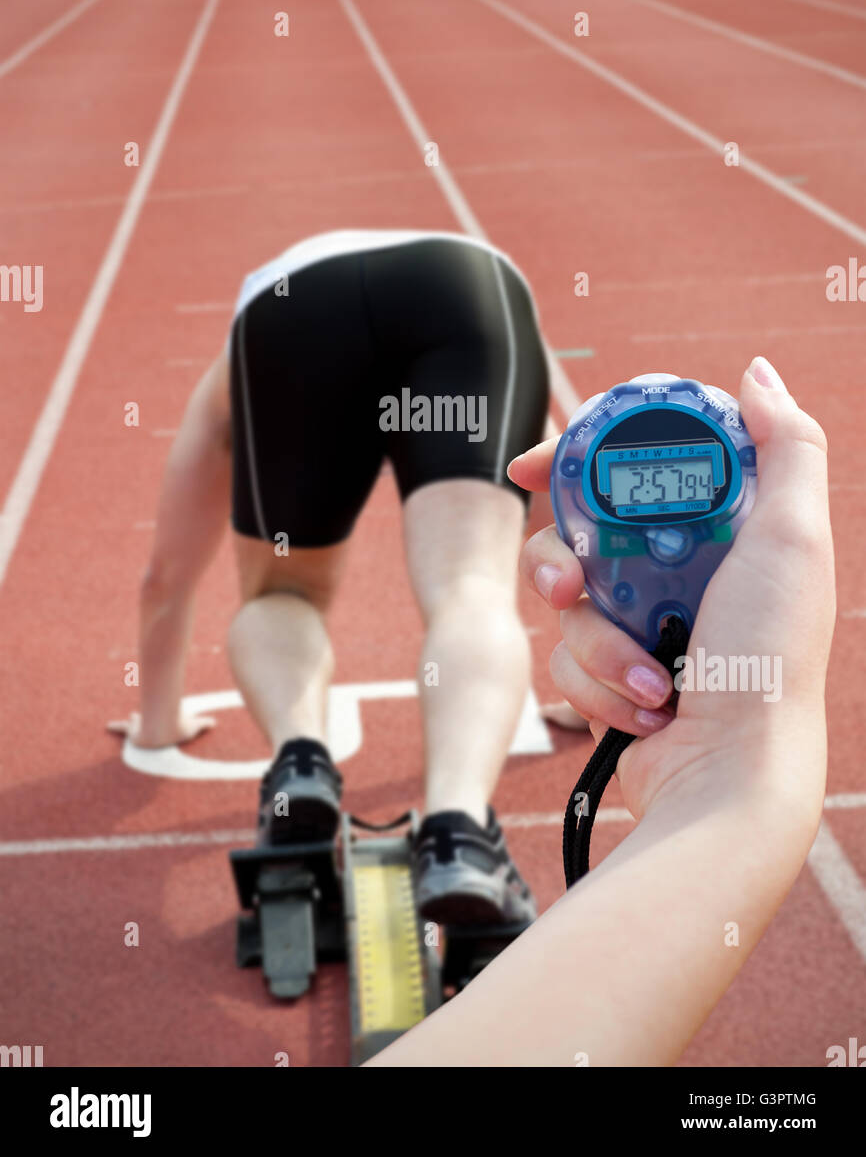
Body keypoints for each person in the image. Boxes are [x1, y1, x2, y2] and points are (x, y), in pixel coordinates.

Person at [367, 357, 836, 1065]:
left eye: (676, 483)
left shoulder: (599, 464)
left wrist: (730, 773)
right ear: (590, 485)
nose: (666, 520)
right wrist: (735, 781)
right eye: (641, 487)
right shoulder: (698, 454)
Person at [109, 228, 550, 927]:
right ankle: (458, 834)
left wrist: (157, 723)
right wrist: (600, 693)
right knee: (471, 582)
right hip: (465, 288)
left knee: (283, 591)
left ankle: (299, 759)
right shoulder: (473, 289)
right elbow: (571, 505)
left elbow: (164, 576)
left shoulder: (230, 366)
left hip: (292, 316)